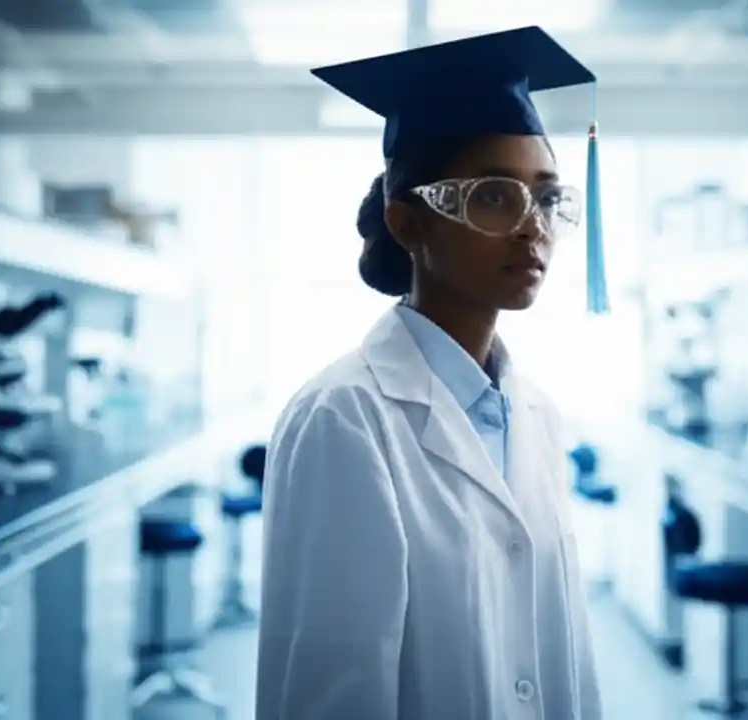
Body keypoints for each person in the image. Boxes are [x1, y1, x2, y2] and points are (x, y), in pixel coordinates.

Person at [256, 26, 604, 720]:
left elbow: (563, 654)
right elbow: (335, 693)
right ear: (408, 223)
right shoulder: (344, 419)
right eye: (495, 196)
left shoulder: (535, 412)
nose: (532, 227)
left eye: (545, 198)